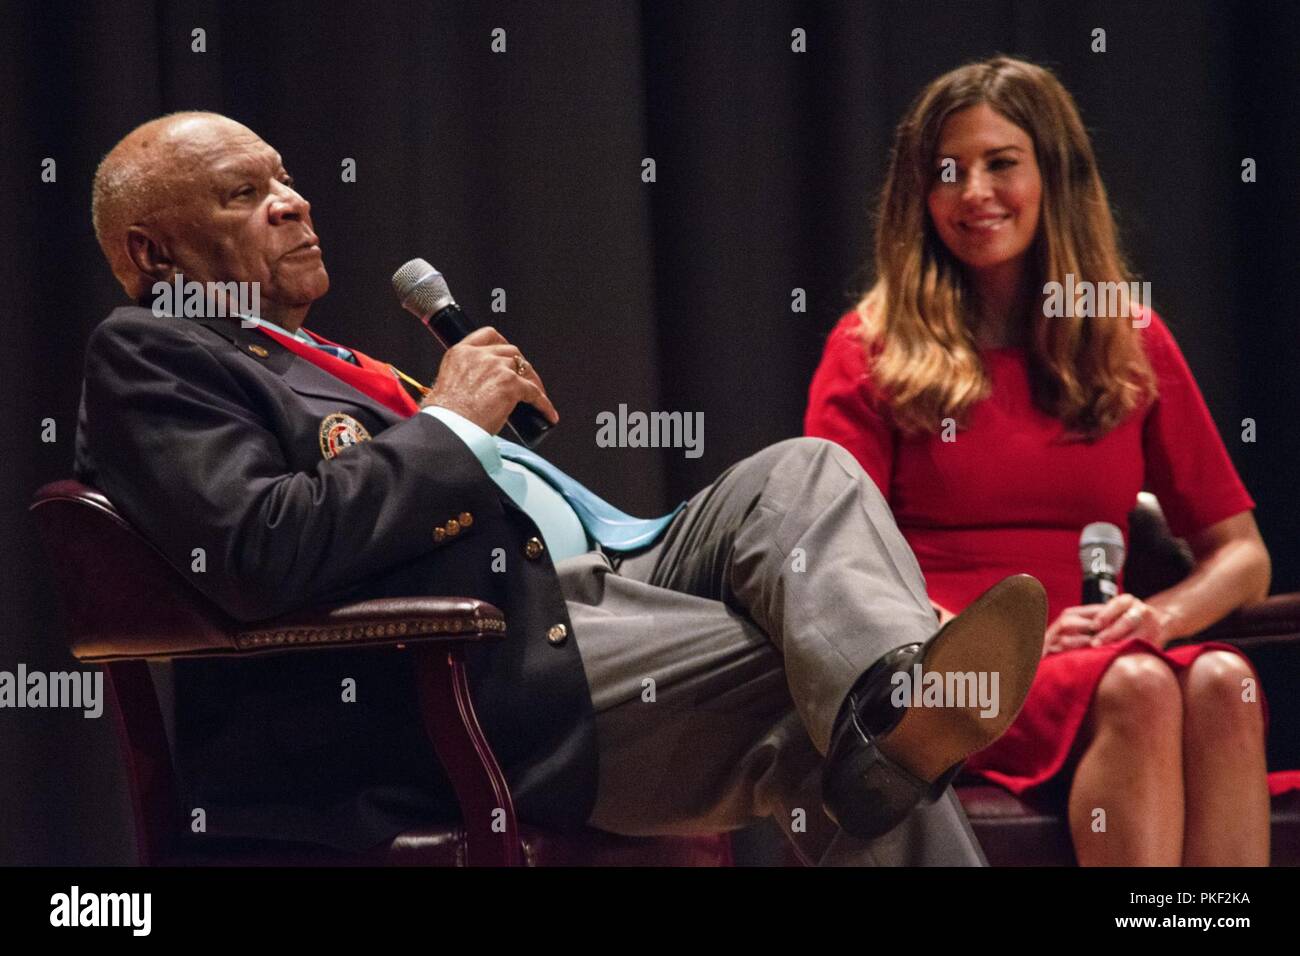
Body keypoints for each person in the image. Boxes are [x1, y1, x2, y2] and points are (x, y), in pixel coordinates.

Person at [76, 111, 1050, 867]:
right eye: (241, 193)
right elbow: (253, 549)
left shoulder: (330, 361)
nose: (291, 201)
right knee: (820, 704)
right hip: (474, 670)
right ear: (153, 254)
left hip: (609, 584)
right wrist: (452, 423)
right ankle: (888, 708)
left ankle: (888, 693)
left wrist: (450, 423)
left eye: (286, 178)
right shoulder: (152, 351)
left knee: (804, 473)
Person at [805, 57, 1274, 866]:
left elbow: (1242, 554)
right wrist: (991, 645)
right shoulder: (869, 349)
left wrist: (1159, 616)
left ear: (1053, 175)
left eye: (1001, 164)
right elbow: (829, 568)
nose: (973, 193)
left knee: (1223, 680)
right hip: (942, 675)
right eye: (948, 172)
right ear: (920, 196)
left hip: (1098, 659)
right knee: (1141, 687)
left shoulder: (1126, 338)